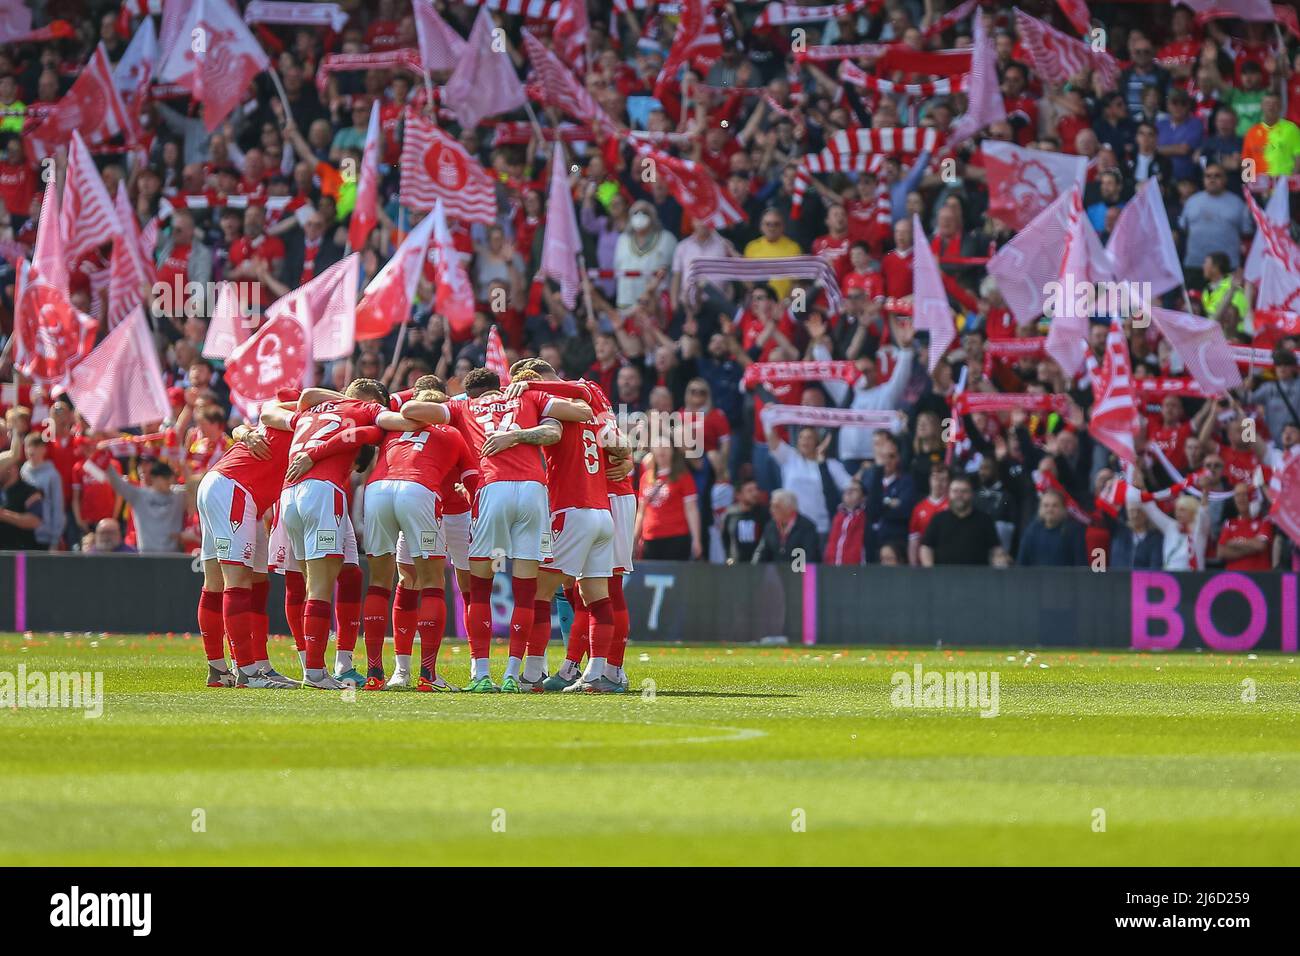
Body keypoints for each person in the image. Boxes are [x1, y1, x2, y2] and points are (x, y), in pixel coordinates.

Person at [402, 367, 593, 692]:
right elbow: (582, 408)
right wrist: (524, 424)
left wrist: (459, 404)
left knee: (480, 587)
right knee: (526, 588)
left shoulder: (464, 407)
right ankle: (513, 675)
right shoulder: (528, 396)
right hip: (533, 491)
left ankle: (481, 674)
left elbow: (410, 411)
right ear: (500, 386)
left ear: (470, 392)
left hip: (493, 490)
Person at [269, 379, 423, 690]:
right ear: (374, 400)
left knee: (318, 580)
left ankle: (320, 666)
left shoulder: (310, 410)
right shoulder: (366, 409)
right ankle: (314, 672)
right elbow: (407, 420)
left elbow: (272, 412)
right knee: (321, 586)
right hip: (324, 492)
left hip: (290, 494)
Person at [358, 387, 478, 692]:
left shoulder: (392, 426)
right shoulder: (454, 431)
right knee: (432, 582)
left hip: (377, 490)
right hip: (420, 492)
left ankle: (375, 673)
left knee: (382, 582)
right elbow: (474, 481)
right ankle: (428, 675)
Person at [636, 445, 702, 561]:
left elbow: (691, 509)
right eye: (658, 446)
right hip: (650, 537)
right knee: (651, 578)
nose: (661, 450)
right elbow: (641, 512)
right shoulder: (645, 477)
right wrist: (635, 539)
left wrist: (696, 539)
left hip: (676, 536)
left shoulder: (683, 476)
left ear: (673, 451)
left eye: (666, 447)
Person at [919, 475, 1000, 566]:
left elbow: (995, 549)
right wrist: (930, 572)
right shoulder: (938, 519)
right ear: (949, 493)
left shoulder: (985, 520)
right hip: (943, 578)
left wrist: (1000, 561)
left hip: (977, 578)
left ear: (971, 494)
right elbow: (926, 547)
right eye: (955, 491)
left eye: (964, 491)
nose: (959, 495)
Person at [1016, 491, 1088, 566]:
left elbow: (1080, 565)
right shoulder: (1031, 531)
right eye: (1046, 505)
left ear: (1063, 509)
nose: (1050, 509)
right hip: (1036, 577)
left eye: (1055, 505)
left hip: (1065, 577)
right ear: (1040, 508)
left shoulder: (1074, 531)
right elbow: (1021, 564)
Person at [18, 434, 63, 551]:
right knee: (22, 568)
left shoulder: (52, 475)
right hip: (23, 532)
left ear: (43, 450)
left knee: (42, 569)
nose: (31, 450)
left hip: (44, 535)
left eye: (35, 447)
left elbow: (57, 506)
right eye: (28, 446)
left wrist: (55, 539)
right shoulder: (22, 472)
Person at [752, 490, 820, 564]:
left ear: (789, 508)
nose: (771, 510)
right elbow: (760, 553)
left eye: (776, 506)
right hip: (775, 573)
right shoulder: (770, 527)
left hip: (799, 573)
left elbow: (810, 557)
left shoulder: (807, 527)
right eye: (771, 506)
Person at [721, 479, 769, 565]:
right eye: (750, 491)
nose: (755, 493)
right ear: (738, 495)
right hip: (736, 565)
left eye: (756, 489)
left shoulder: (764, 514)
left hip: (759, 566)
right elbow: (726, 541)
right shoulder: (731, 515)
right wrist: (730, 562)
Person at [0, 451, 41, 550]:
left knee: (20, 566)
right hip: (1, 553)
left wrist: (3, 515)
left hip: (21, 553)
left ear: (12, 469)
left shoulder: (30, 491)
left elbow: (34, 521)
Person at [823, 480, 867, 565]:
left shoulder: (866, 515)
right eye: (847, 489)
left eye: (855, 490)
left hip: (855, 570)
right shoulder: (837, 514)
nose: (849, 492)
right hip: (832, 567)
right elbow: (828, 490)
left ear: (863, 497)